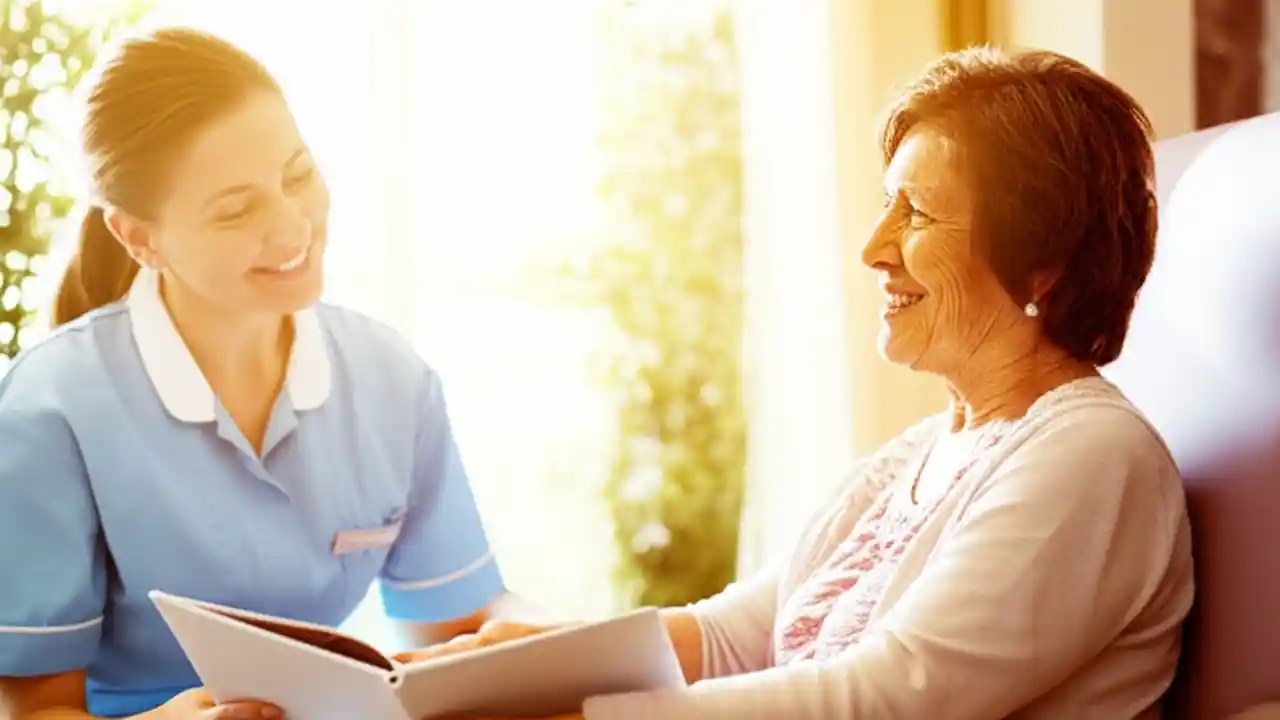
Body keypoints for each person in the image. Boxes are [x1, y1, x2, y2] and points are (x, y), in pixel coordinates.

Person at [418, 47, 1196, 719]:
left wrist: (571, 713)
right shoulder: (921, 455)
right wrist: (520, 666)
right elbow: (729, 637)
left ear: (1042, 264)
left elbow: (895, 698)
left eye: (915, 213)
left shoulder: (1094, 457)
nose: (873, 248)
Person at [0, 28, 525, 719]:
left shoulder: (392, 381)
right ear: (138, 236)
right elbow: (34, 710)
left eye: (298, 176)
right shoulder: (49, 411)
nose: (292, 229)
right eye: (237, 210)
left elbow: (459, 630)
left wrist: (556, 640)